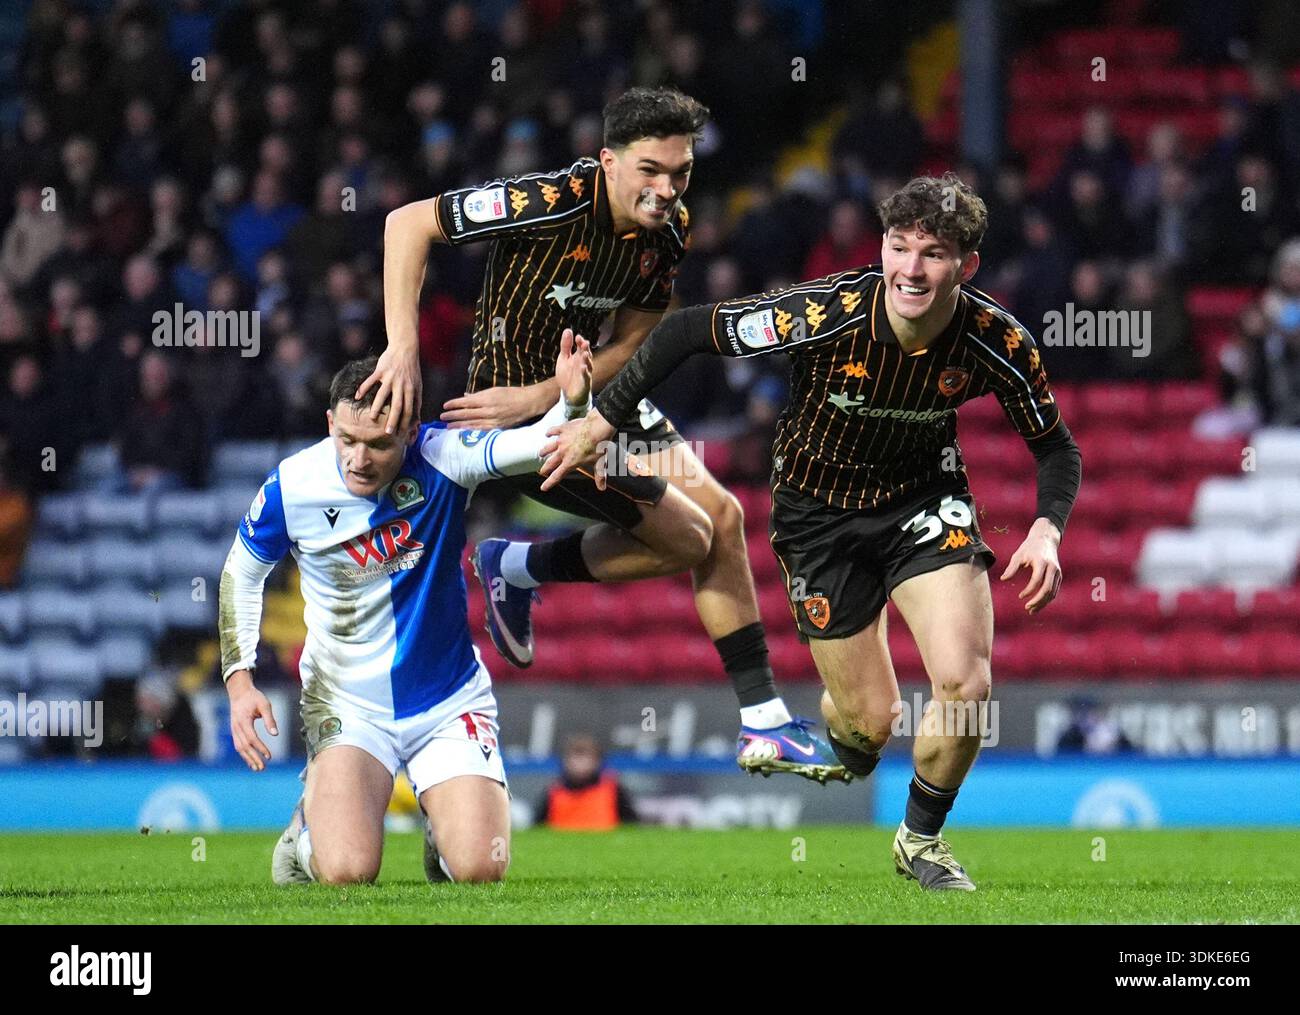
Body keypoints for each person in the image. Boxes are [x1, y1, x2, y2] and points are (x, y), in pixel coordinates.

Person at [540, 174, 1083, 891]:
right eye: (900, 247)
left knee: (965, 679)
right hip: (818, 518)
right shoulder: (822, 313)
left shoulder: (995, 339)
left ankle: (921, 841)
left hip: (925, 505)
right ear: (882, 248)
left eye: (935, 253)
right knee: (868, 727)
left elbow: (1056, 447)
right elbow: (682, 330)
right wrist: (599, 423)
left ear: (967, 266)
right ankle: (841, 733)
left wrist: (1046, 529)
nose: (912, 268)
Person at [362, 86, 844, 783]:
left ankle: (765, 722)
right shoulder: (547, 201)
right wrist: (402, 349)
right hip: (524, 427)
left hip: (588, 400)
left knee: (728, 517)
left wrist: (561, 387)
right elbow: (407, 223)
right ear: (608, 161)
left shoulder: (667, 232)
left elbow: (640, 338)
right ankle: (516, 568)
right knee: (689, 537)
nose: (667, 189)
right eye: (651, 169)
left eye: (680, 173)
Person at [219, 331, 594, 886]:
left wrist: (572, 401)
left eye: (380, 444)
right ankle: (305, 833)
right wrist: (239, 680)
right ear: (330, 424)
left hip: (445, 700)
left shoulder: (443, 455)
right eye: (347, 439)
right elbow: (241, 573)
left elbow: (538, 443)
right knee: (347, 873)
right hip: (348, 704)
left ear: (411, 433)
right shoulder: (292, 486)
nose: (359, 459)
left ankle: (443, 833)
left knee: (479, 868)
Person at [536, 734, 638, 830]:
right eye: (576, 759)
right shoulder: (554, 791)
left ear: (596, 762)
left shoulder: (613, 789)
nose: (580, 765)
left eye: (586, 759)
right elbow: (538, 826)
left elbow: (631, 824)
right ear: (566, 762)